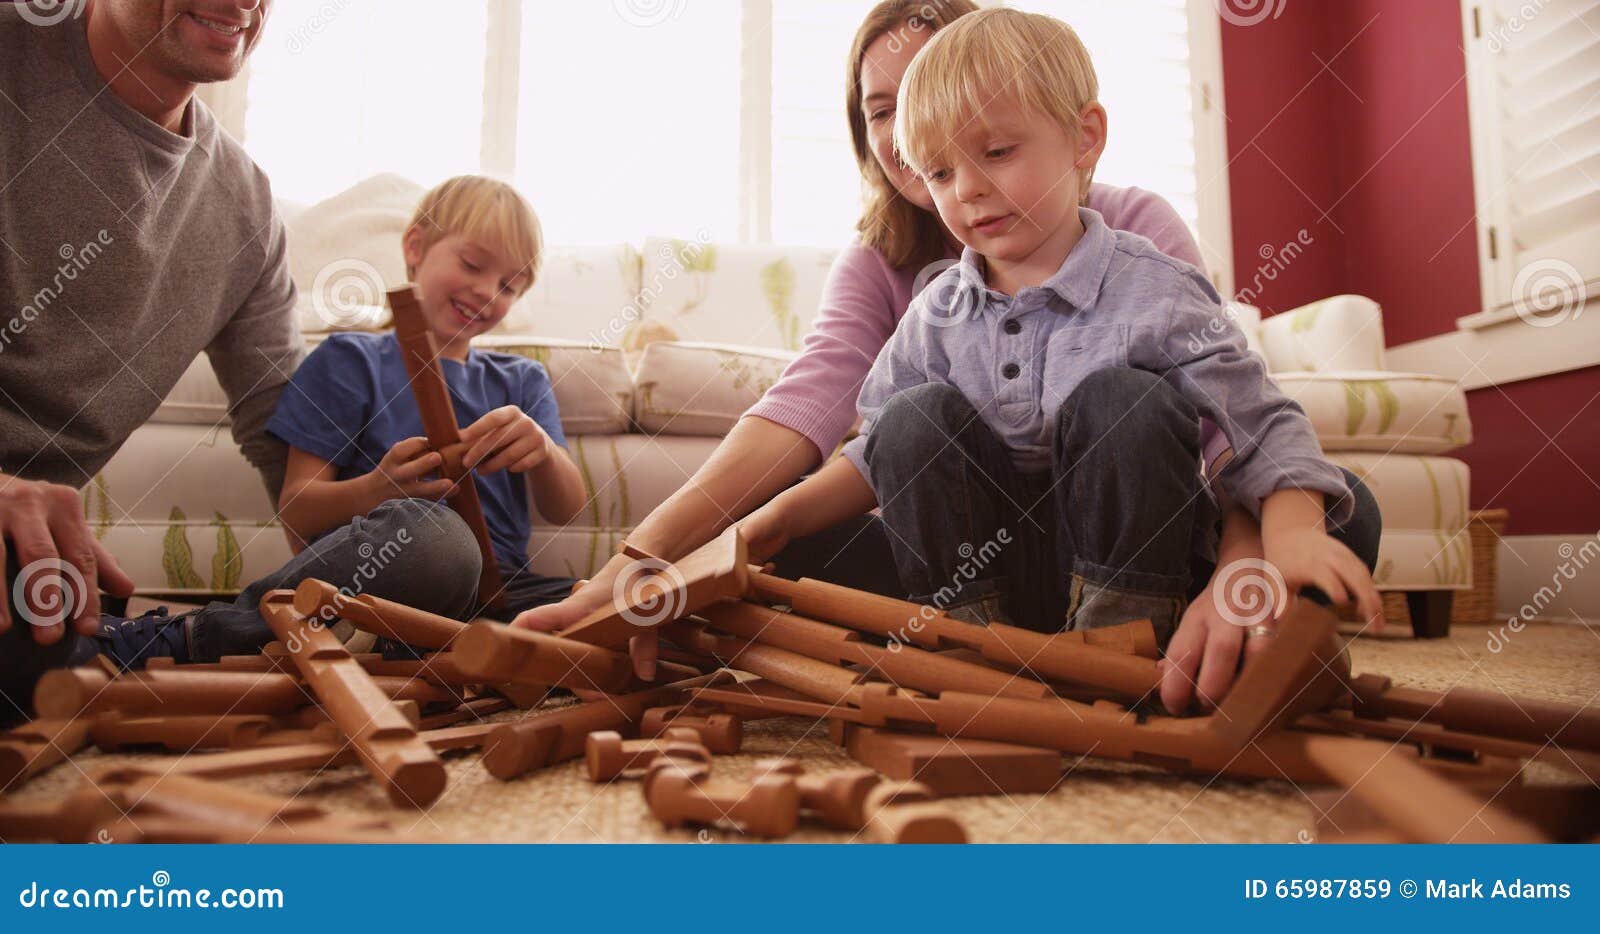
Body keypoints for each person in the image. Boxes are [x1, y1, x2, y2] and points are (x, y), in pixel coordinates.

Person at [516, 0, 1358, 714]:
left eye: (994, 148)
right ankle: (966, 650)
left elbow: (1236, 424)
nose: (965, 187)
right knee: (820, 519)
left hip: (1134, 526)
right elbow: (845, 433)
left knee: (1324, 498)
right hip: (987, 552)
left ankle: (1133, 641)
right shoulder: (925, 296)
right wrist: (677, 553)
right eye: (891, 117)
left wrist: (1262, 553)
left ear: (1079, 134)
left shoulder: (1145, 257)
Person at [78, 175, 590, 669]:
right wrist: (377, 489)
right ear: (416, 246)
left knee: (611, 598)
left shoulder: (522, 379)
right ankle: (196, 634)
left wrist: (543, 451)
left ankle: (396, 648)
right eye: (473, 264)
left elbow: (565, 506)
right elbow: (299, 508)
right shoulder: (352, 360)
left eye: (509, 285)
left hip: (502, 593)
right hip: (396, 575)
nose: (486, 291)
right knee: (434, 537)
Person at [0, 0, 299, 723]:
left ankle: (148, 645)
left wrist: (397, 512)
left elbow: (288, 443)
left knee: (432, 547)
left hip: (27, 569)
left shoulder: (246, 209)